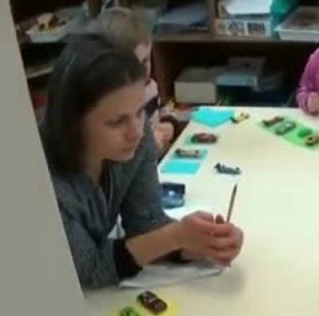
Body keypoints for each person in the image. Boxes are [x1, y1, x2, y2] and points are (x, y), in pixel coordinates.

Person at [41, 35, 243, 289]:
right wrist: (175, 235)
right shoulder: (45, 181)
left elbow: (146, 224)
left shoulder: (136, 139)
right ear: (73, 123)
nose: (136, 131)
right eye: (116, 121)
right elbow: (89, 270)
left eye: (139, 113)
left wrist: (205, 243)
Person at [91, 7, 177, 152]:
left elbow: (163, 111)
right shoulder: (112, 105)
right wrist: (148, 145)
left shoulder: (150, 86)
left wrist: (170, 124)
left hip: (160, 159)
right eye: (135, 64)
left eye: (146, 60)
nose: (143, 70)